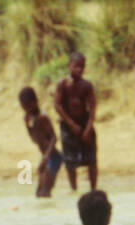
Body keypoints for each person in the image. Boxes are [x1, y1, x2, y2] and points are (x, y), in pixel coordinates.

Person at [53, 52, 97, 192]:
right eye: (76, 66)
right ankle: (74, 189)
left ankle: (93, 189)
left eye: (82, 67)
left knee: (91, 159)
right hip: (68, 126)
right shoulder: (63, 84)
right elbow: (57, 105)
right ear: (69, 66)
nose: (79, 70)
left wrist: (88, 128)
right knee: (70, 162)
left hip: (84, 124)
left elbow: (92, 106)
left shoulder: (86, 85)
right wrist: (70, 124)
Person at [18, 87, 62, 198]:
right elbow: (34, 139)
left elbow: (54, 138)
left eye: (29, 106)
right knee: (39, 193)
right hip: (45, 157)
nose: (27, 110)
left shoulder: (42, 117)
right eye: (24, 108)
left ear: (35, 102)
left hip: (53, 157)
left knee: (45, 192)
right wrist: (27, 125)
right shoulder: (32, 119)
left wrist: (46, 157)